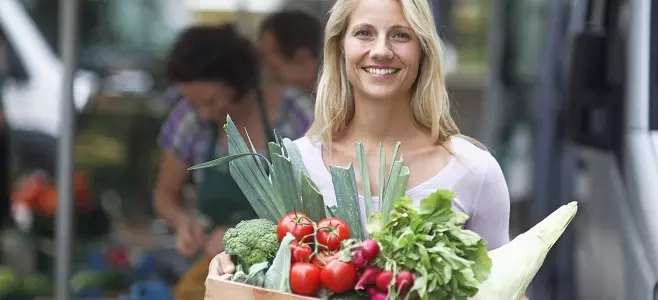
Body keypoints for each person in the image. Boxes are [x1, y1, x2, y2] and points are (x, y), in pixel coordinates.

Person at [207, 0, 511, 288]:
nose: (381, 51)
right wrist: (237, 269)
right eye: (364, 33)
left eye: (401, 35)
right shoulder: (295, 163)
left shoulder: (473, 169)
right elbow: (273, 279)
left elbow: (505, 287)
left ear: (424, 51)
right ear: (340, 48)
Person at [152, 24, 313, 298]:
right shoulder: (188, 120)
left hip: (288, 274)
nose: (203, 114)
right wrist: (182, 222)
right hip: (215, 270)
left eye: (211, 101)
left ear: (237, 81)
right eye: (194, 103)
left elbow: (320, 204)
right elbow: (164, 195)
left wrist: (249, 237)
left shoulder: (295, 114)